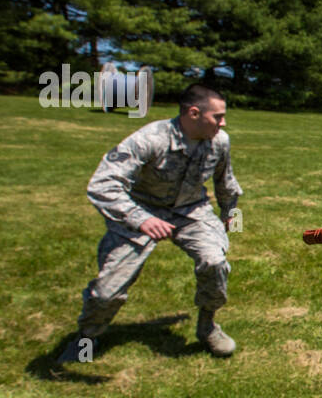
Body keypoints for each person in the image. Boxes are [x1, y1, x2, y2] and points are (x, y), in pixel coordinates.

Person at [57, 83, 243, 363]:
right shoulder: (149, 139)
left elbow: (225, 181)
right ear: (193, 113)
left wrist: (231, 214)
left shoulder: (220, 141)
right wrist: (140, 218)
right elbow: (103, 185)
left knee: (215, 263)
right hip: (142, 209)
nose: (223, 122)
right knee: (107, 291)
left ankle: (207, 326)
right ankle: (86, 339)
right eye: (217, 116)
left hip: (191, 211)